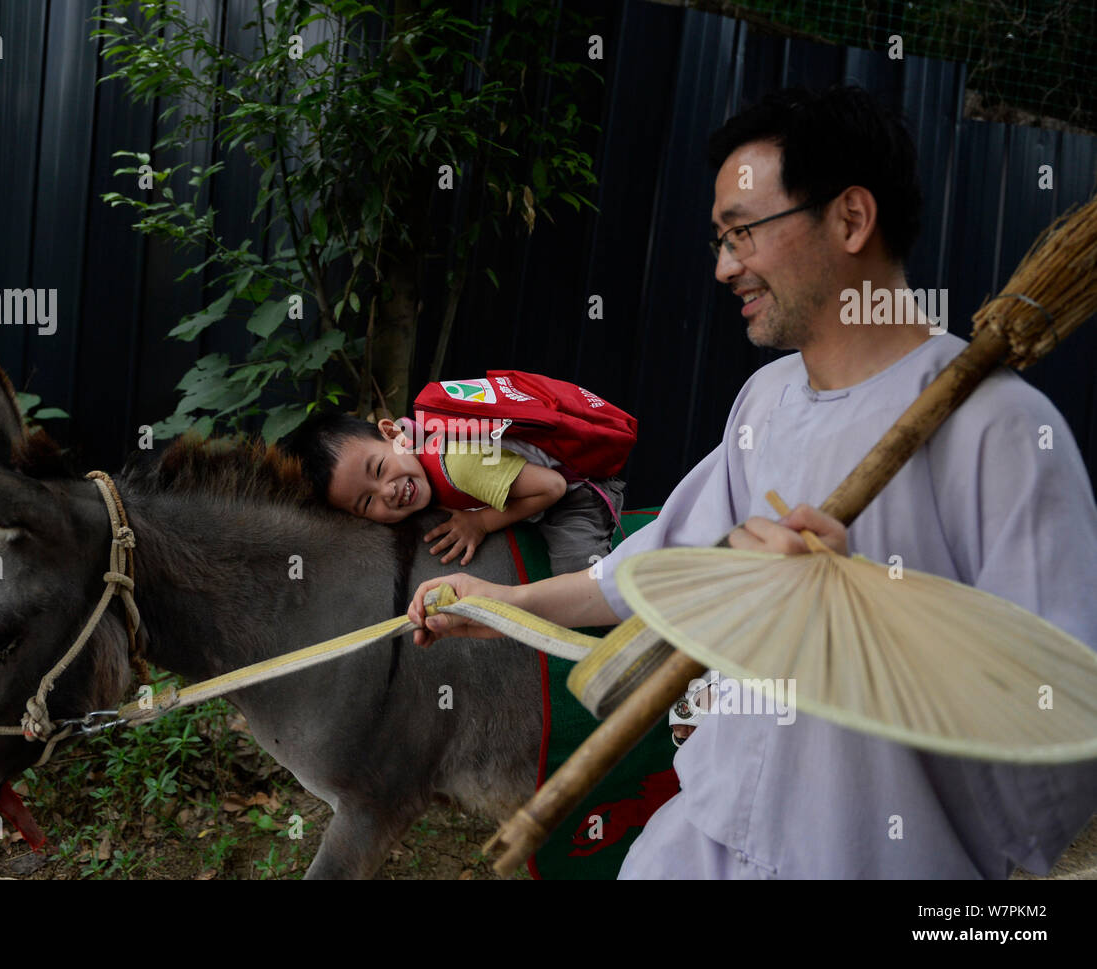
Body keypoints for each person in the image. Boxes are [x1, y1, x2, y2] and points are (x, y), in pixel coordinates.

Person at [408, 85, 1097, 879]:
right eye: (720, 239)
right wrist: (508, 605)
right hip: (707, 840)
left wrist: (865, 602)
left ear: (849, 219)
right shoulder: (764, 402)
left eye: (741, 234)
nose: (724, 267)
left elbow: (1063, 706)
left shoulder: (1000, 429)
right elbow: (655, 565)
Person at [288, 412, 625, 574]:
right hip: (526, 487)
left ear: (392, 433)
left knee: (582, 579)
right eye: (367, 502)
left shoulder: (458, 463)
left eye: (377, 470)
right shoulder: (413, 454)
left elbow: (552, 488)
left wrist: (481, 524)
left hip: (575, 490)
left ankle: (667, 663)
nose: (387, 491)